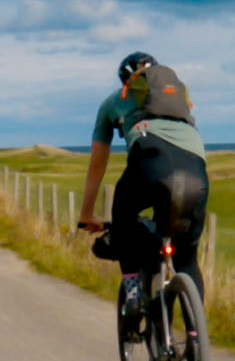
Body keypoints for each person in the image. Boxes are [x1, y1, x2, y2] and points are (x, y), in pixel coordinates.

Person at [77, 52, 208, 320]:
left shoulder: (114, 102)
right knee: (186, 257)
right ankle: (196, 336)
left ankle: (134, 292)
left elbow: (97, 166)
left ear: (126, 82)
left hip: (149, 167)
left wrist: (86, 214)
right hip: (197, 173)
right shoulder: (181, 99)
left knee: (123, 216)